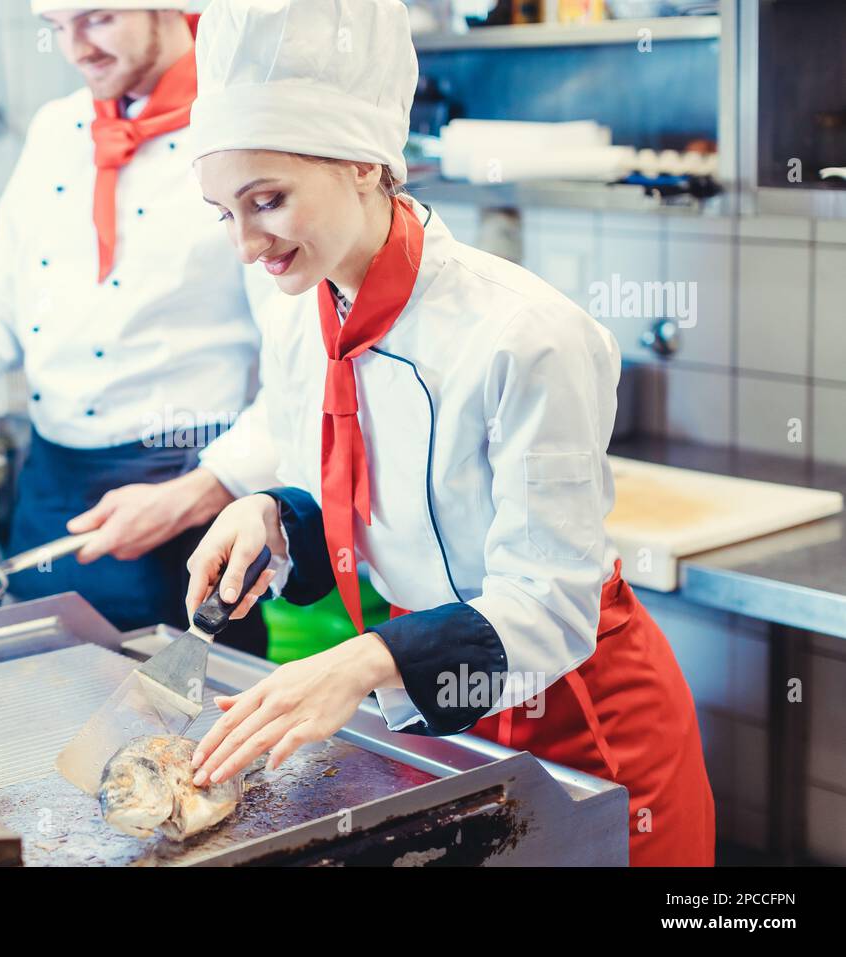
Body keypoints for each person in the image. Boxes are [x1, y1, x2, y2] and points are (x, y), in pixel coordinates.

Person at [180, 0, 715, 865]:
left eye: (267, 200)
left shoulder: (524, 333)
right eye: (223, 212)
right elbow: (375, 504)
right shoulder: (300, 313)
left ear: (363, 163)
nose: (246, 245)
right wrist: (275, 516)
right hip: (434, 709)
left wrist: (361, 662)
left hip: (580, 719)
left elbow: (550, 601)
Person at [0, 3, 278, 652]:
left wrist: (200, 493)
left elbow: (309, 377)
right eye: (54, 27)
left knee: (175, 737)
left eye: (96, 18)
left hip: (187, 499)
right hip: (50, 488)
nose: (76, 49)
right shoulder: (57, 128)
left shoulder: (247, 134)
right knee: (33, 704)